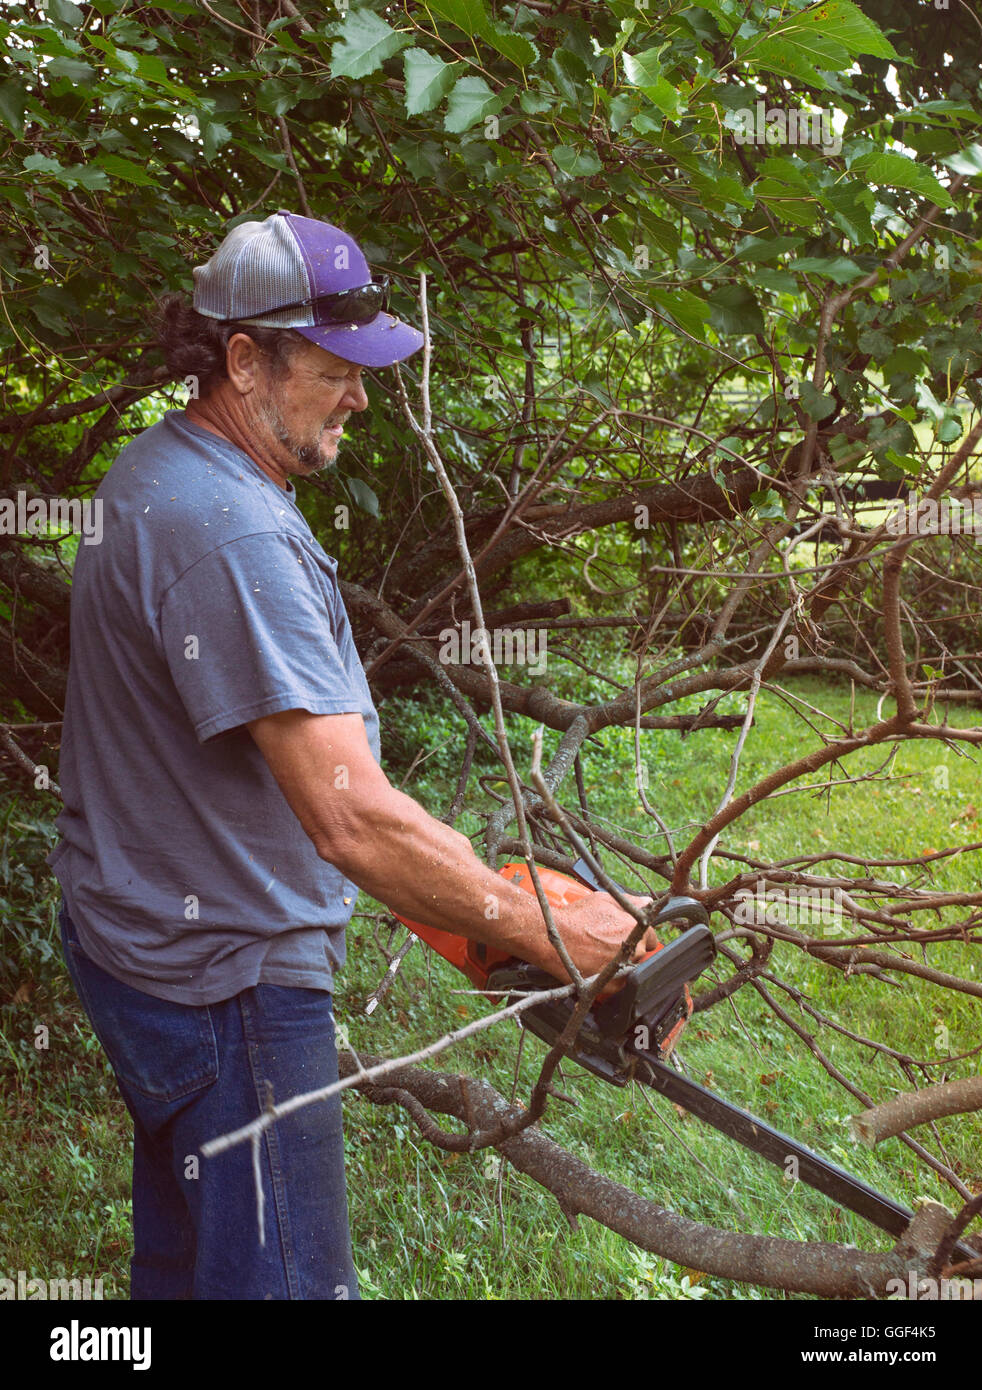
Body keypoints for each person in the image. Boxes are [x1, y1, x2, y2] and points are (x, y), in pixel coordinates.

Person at [48, 210, 654, 1300]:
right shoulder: (228, 532)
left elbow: (284, 779)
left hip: (143, 950)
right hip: (228, 987)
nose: (362, 398)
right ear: (245, 359)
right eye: (336, 370)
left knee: (189, 1269)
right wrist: (553, 935)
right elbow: (348, 818)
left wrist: (473, 911)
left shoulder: (156, 473)